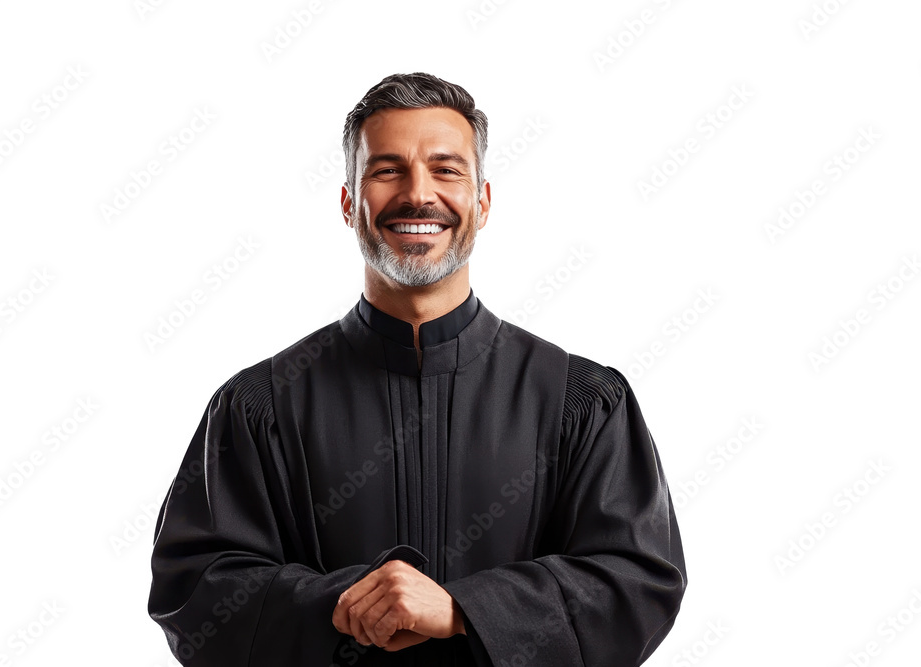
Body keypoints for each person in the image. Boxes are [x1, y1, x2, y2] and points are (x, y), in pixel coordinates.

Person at [148, 72, 687, 666]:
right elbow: (193, 589)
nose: (418, 194)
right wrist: (343, 603)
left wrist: (465, 610)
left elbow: (638, 581)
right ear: (350, 201)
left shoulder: (583, 400)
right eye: (386, 170)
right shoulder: (258, 405)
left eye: (446, 169)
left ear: (482, 201)